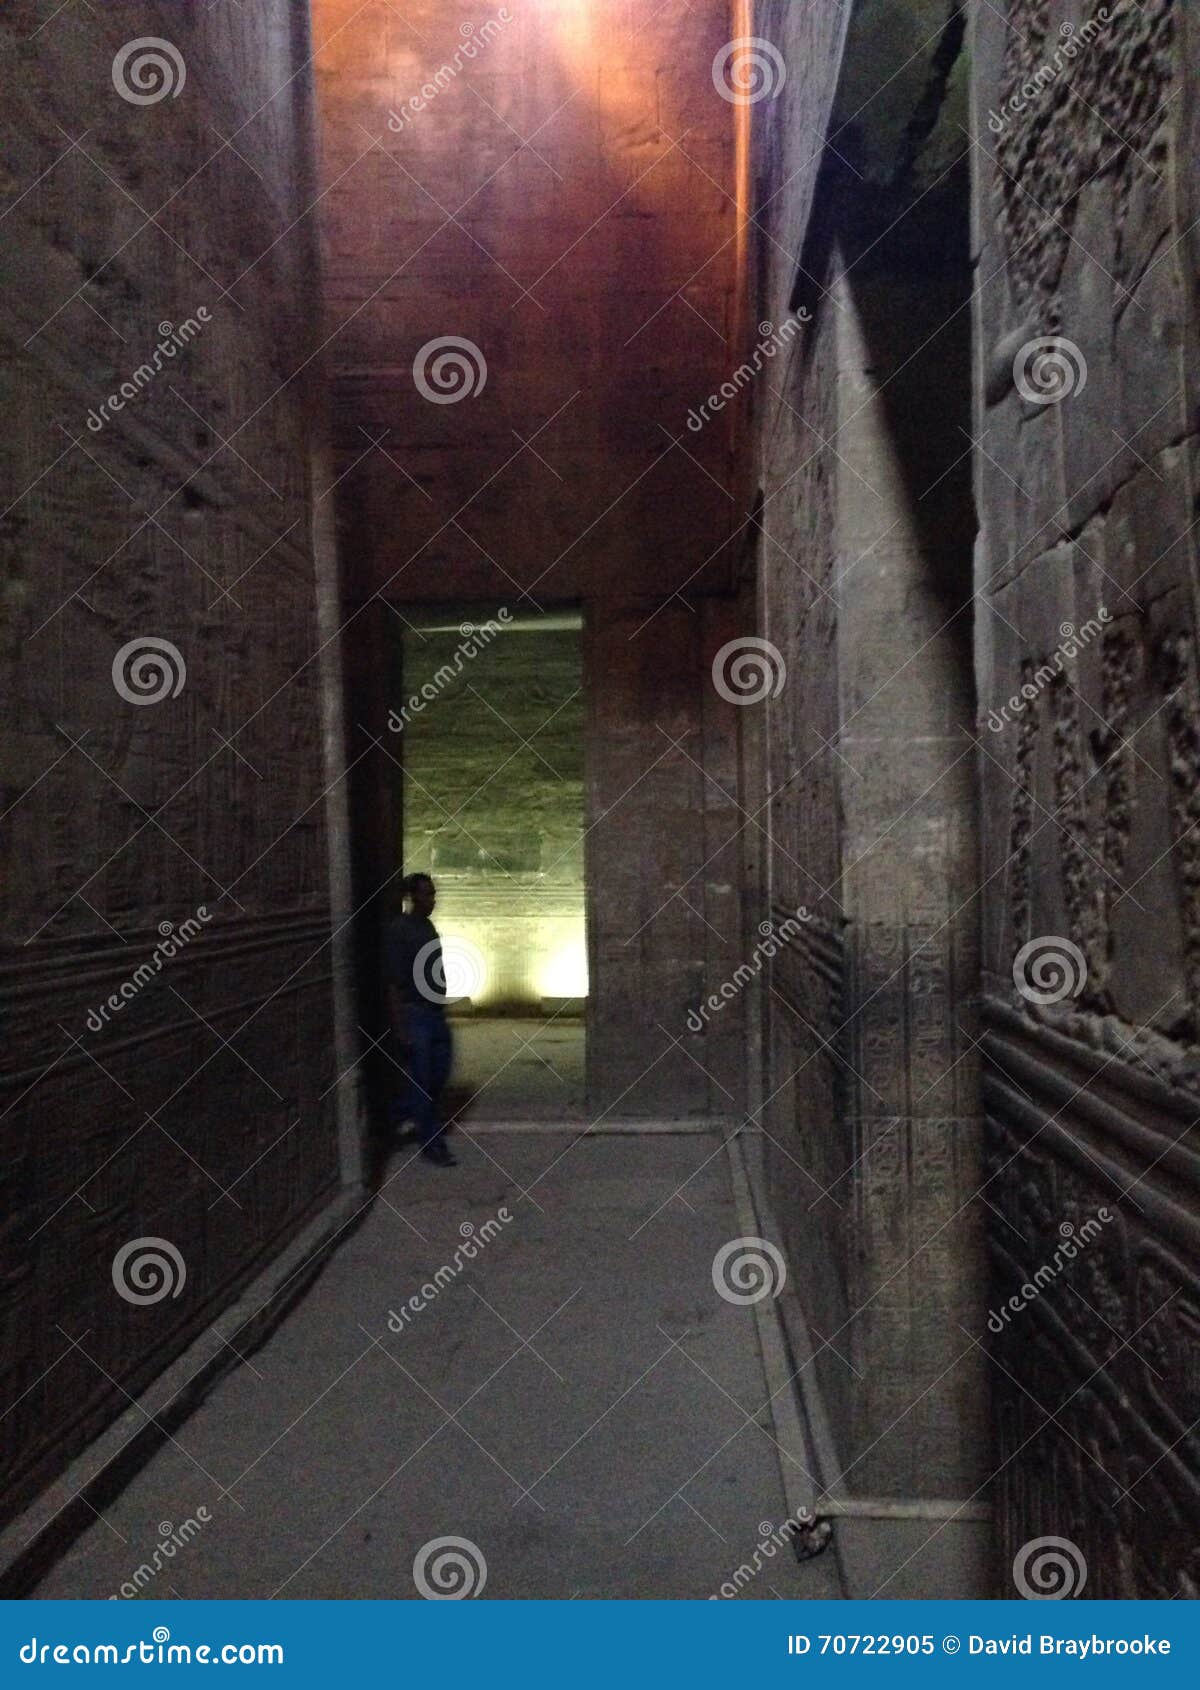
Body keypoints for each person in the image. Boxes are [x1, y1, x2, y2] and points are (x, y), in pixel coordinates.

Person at [385, 873, 457, 1167]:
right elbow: (392, 983)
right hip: (415, 1013)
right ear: (412, 898)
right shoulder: (399, 930)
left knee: (437, 1075)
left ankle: (395, 1114)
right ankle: (432, 1143)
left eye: (433, 894)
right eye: (427, 895)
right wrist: (401, 1027)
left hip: (434, 1012)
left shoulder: (427, 926)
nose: (432, 901)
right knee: (423, 1079)